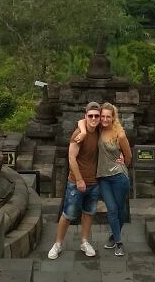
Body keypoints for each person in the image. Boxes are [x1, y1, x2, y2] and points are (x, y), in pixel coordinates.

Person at [47, 102, 102, 259]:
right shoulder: (78, 133)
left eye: (96, 116)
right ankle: (57, 244)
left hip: (94, 182)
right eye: (90, 116)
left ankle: (84, 241)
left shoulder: (99, 131)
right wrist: (79, 180)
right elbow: (71, 158)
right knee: (68, 214)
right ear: (85, 116)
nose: (93, 118)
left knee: (89, 212)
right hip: (76, 182)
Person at [94, 102, 132, 255]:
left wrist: (122, 163)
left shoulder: (119, 134)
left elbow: (129, 156)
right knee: (112, 209)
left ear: (113, 117)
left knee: (121, 209)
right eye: (102, 116)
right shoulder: (98, 130)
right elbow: (83, 122)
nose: (104, 119)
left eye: (107, 117)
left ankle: (113, 236)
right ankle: (119, 243)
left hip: (119, 177)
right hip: (103, 177)